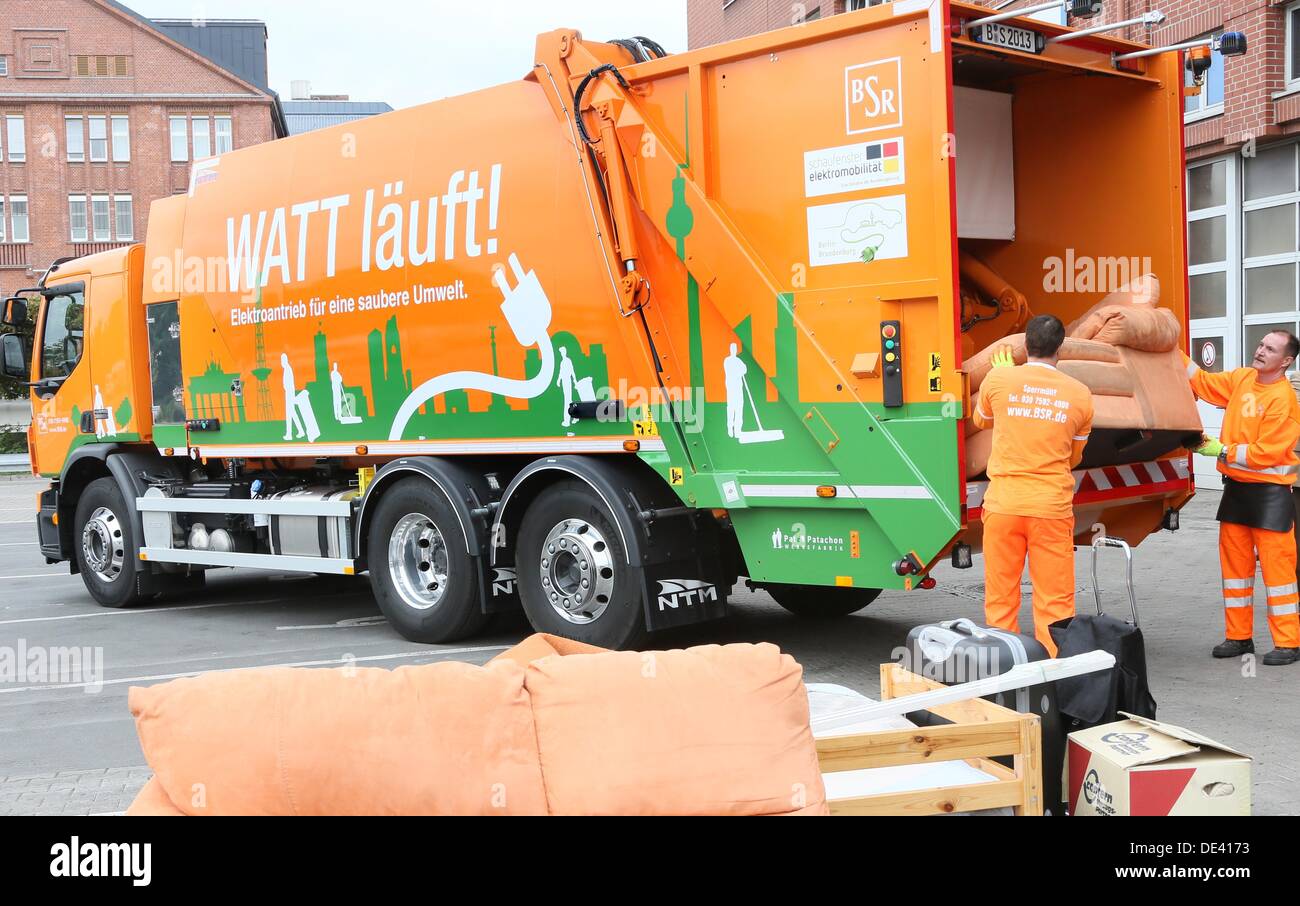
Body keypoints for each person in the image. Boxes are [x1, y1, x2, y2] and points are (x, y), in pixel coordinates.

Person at [972, 315, 1094, 656]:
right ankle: (1054, 676)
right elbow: (1074, 457)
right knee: (1055, 600)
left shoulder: (999, 379)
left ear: (1025, 345)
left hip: (1003, 506)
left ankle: (1002, 669)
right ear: (1061, 349)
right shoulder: (1080, 395)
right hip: (1050, 510)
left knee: (1000, 597)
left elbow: (980, 420)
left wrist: (1000, 374)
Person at [1187, 330, 1300, 666]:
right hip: (1236, 492)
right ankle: (1238, 638)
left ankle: (1289, 642)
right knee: (1235, 571)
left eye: (1270, 349)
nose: (1260, 350)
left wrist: (1221, 450)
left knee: (1279, 575)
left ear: (1286, 361)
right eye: (1261, 344)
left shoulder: (1284, 399)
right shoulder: (1242, 378)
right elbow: (1203, 382)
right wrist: (1170, 351)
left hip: (1270, 498)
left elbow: (1267, 453)